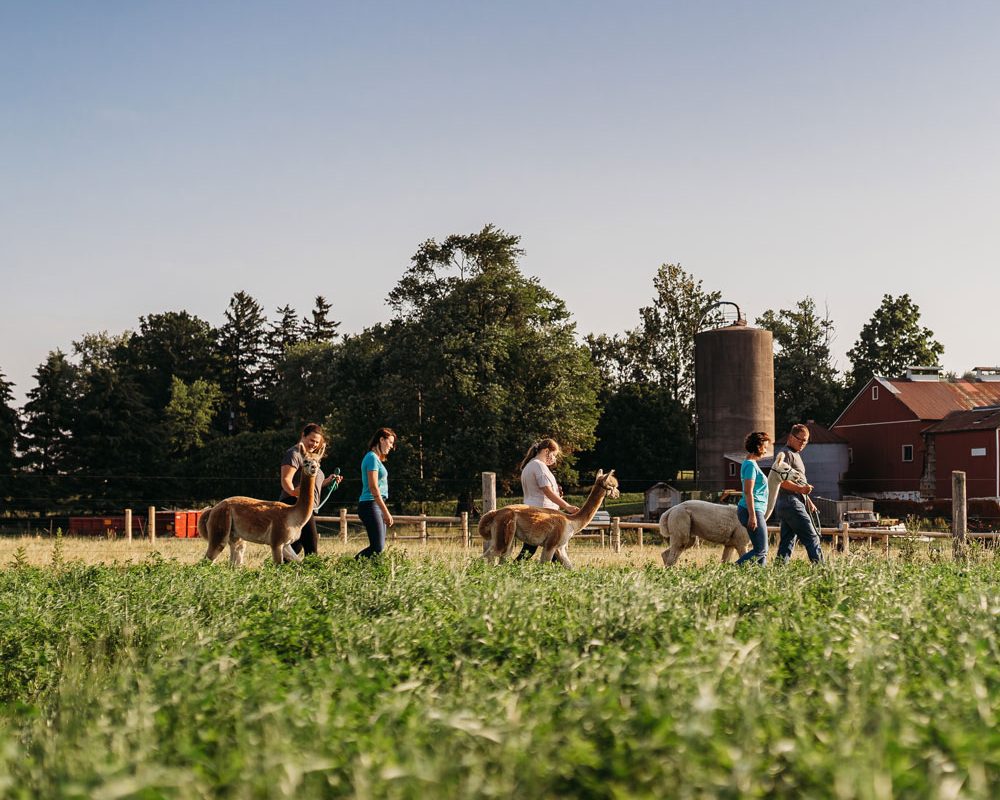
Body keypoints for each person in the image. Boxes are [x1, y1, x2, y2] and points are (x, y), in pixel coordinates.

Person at [279, 422, 340, 557]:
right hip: (296, 504)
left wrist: (327, 481)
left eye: (317, 442)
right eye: (311, 440)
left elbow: (312, 484)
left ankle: (278, 572)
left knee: (295, 547)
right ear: (303, 436)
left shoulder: (312, 457)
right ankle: (314, 574)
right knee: (311, 544)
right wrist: (294, 493)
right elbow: (286, 480)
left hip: (309, 506)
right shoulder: (294, 454)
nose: (314, 444)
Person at [514, 438, 579, 561]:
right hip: (543, 512)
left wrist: (557, 494)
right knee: (551, 547)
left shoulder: (529, 466)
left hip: (532, 510)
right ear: (546, 451)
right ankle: (559, 574)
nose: (554, 459)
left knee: (530, 550)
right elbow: (547, 491)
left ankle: (514, 569)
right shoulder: (539, 466)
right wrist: (567, 506)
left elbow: (543, 490)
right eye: (553, 455)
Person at [774, 423, 824, 564]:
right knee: (812, 537)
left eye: (806, 441)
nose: (803, 443)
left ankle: (778, 572)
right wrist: (801, 490)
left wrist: (808, 501)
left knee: (787, 541)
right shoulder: (785, 454)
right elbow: (781, 481)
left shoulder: (795, 454)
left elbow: (800, 483)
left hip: (792, 502)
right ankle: (822, 570)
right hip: (791, 502)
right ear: (791, 437)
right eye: (800, 439)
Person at [356, 427, 396, 560]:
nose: (391, 446)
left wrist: (382, 509)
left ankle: (369, 574)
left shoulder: (376, 459)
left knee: (378, 548)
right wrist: (386, 512)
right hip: (370, 505)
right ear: (381, 440)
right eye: (390, 442)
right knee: (377, 547)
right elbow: (373, 488)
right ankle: (351, 566)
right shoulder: (371, 458)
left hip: (376, 505)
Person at [735, 430, 772, 566]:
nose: (765, 451)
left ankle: (760, 580)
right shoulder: (750, 465)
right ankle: (731, 571)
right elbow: (748, 491)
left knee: (760, 551)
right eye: (765, 447)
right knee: (761, 550)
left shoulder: (750, 463)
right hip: (752, 510)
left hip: (755, 510)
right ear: (758, 446)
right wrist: (752, 516)